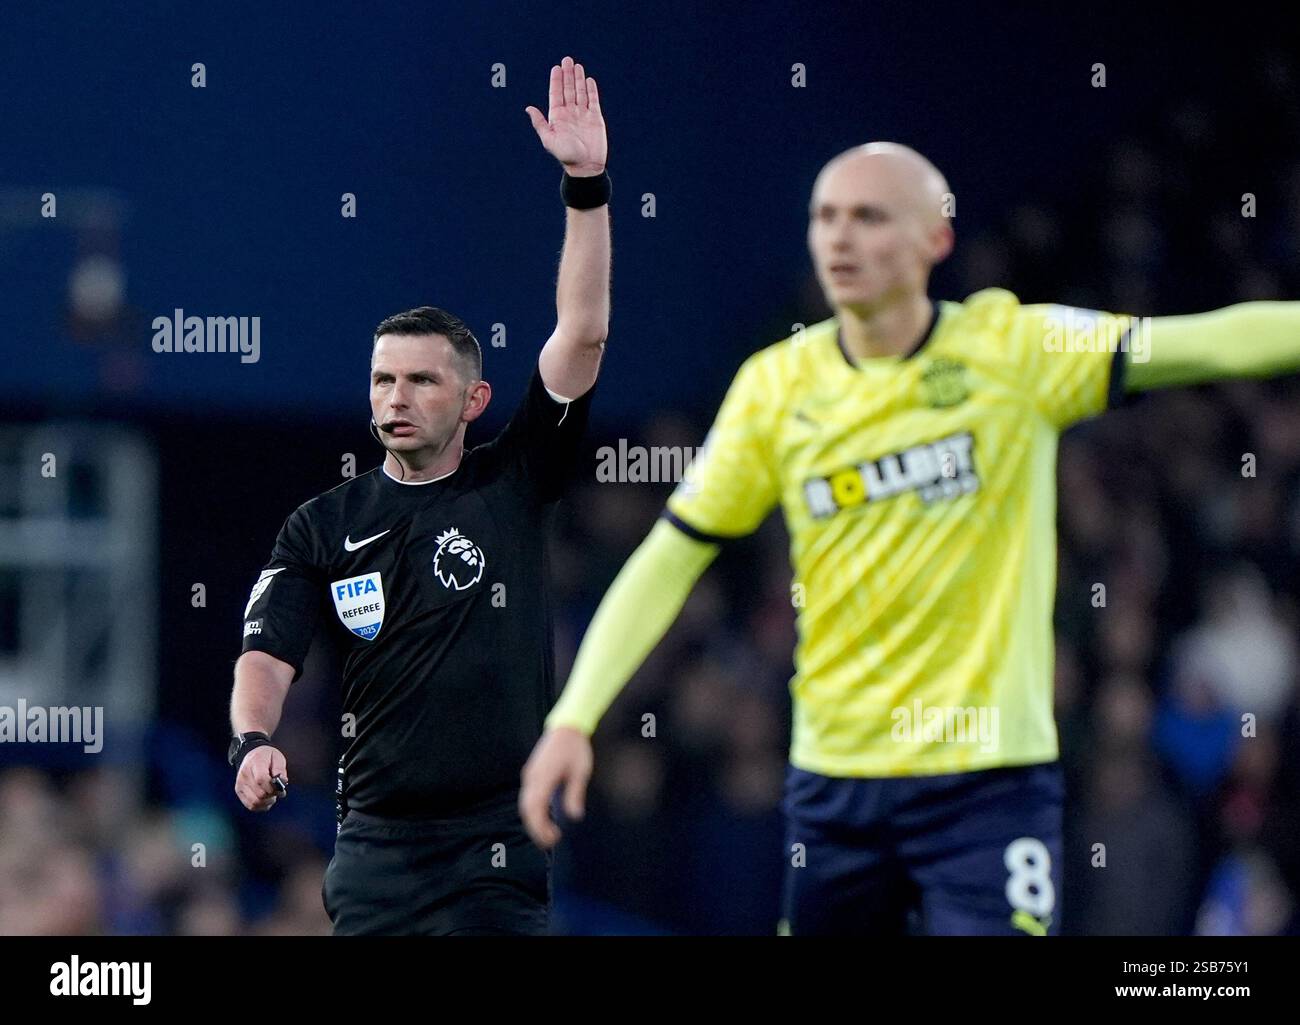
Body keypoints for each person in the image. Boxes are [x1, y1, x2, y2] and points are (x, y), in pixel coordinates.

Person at [519, 141, 1300, 935]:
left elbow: (1208, 340)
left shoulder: (1014, 350)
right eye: (826, 217)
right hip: (838, 786)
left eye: (870, 216)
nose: (841, 237)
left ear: (936, 238)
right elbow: (670, 555)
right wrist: (574, 714)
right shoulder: (776, 387)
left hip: (987, 783)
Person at [229, 56, 610, 936]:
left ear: (474, 399)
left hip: (497, 843)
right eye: (383, 380)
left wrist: (586, 185)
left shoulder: (516, 478)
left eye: (421, 381)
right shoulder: (323, 525)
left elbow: (583, 332)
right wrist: (252, 740)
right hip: (375, 845)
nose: (395, 398)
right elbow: (266, 653)